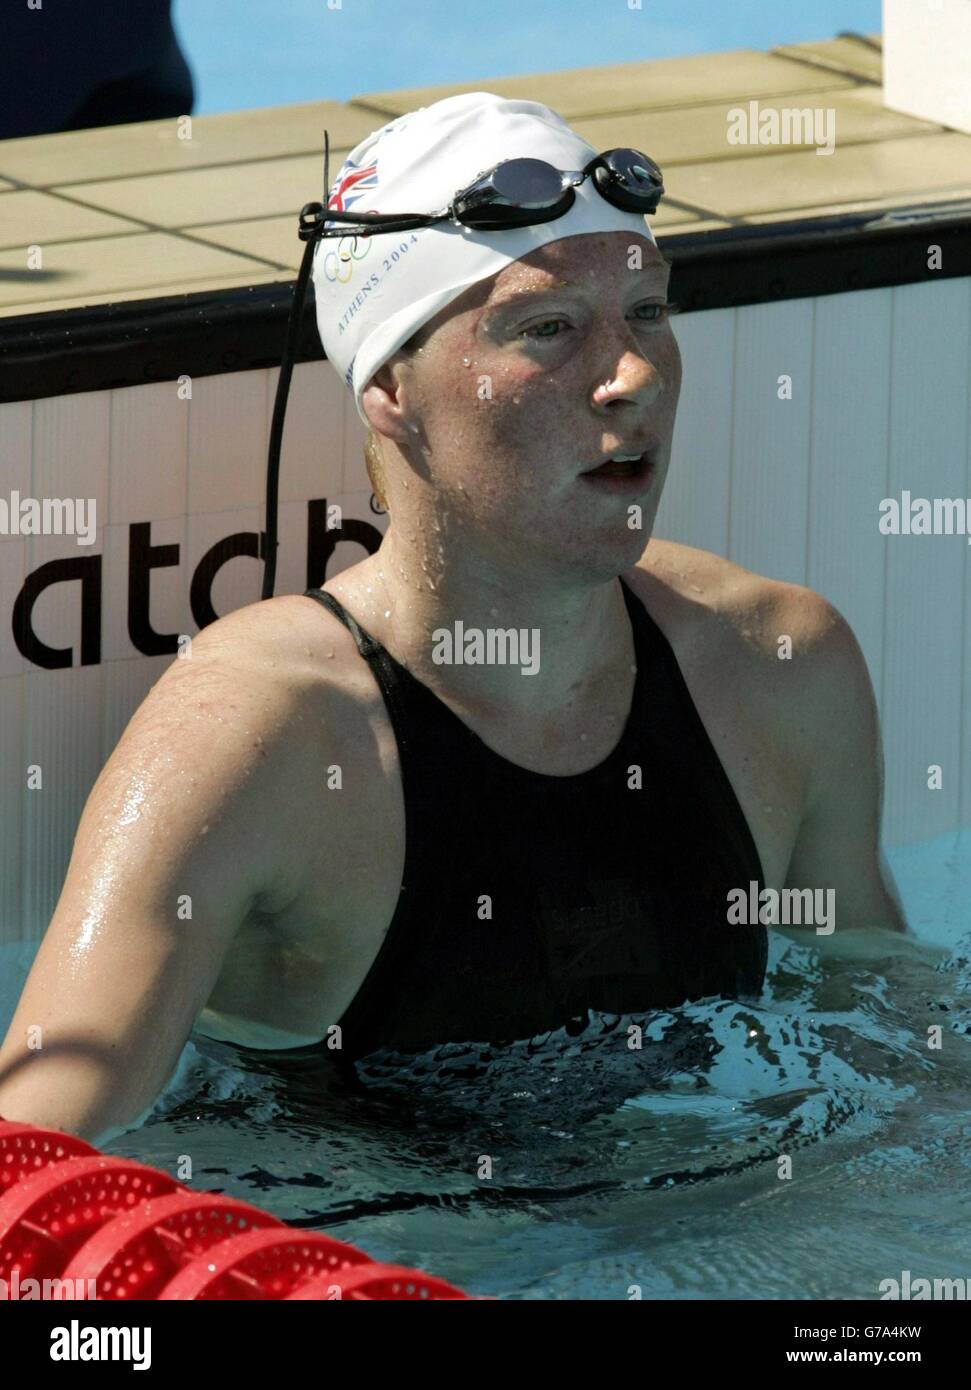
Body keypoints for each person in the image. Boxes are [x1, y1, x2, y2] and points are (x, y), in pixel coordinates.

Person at [0, 93, 905, 1144]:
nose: (631, 376)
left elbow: (891, 1040)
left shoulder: (777, 663)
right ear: (389, 387)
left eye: (646, 312)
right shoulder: (258, 736)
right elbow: (33, 1153)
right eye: (548, 330)